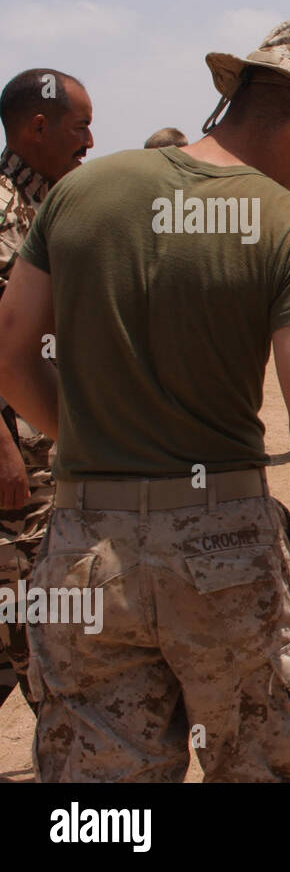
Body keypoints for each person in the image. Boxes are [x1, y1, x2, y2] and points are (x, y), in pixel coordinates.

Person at [0, 21, 290, 781]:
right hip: (221, 554)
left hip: (82, 553)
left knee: (100, 797)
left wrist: (89, 442)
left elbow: (8, 356)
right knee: (269, 763)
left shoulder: (78, 193)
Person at [0, 67, 92, 713]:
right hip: (13, 463)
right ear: (38, 127)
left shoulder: (47, 205)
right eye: (79, 125)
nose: (90, 140)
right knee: (45, 629)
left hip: (44, 453)